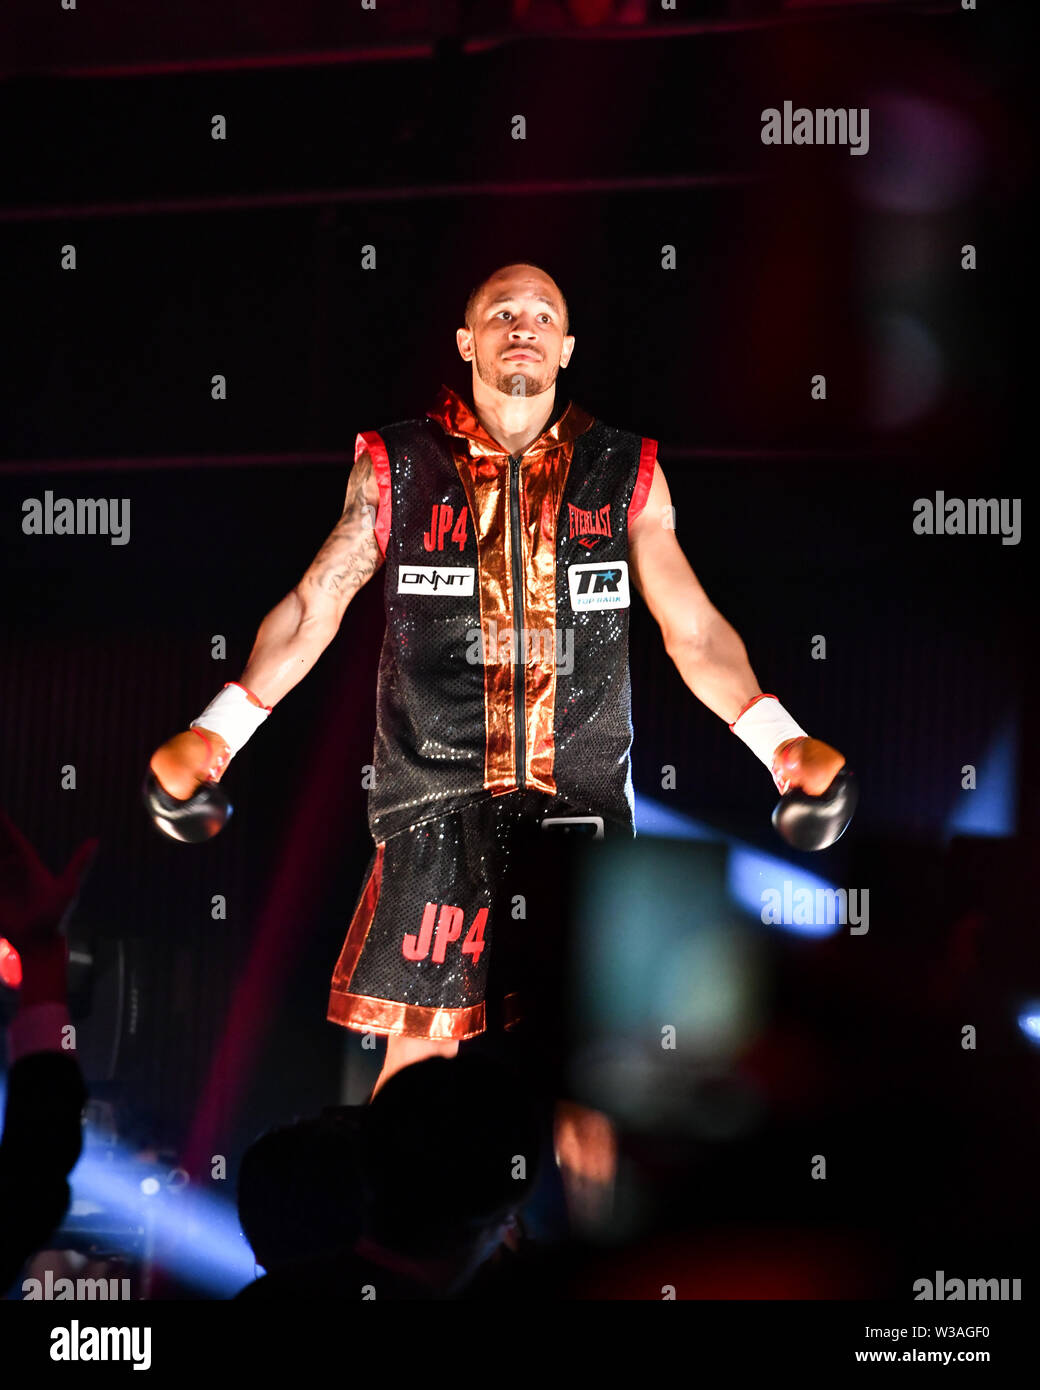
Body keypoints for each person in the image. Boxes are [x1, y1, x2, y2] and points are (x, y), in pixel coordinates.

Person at [147, 262, 846, 1196]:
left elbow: (692, 627)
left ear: (565, 348)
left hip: (582, 818)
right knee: (418, 1079)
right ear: (469, 342)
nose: (524, 324)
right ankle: (410, 1267)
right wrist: (214, 733)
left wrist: (782, 743)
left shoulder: (626, 469)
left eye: (544, 314)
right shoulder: (394, 463)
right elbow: (317, 604)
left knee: (599, 1091)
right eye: (502, 313)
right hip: (434, 808)